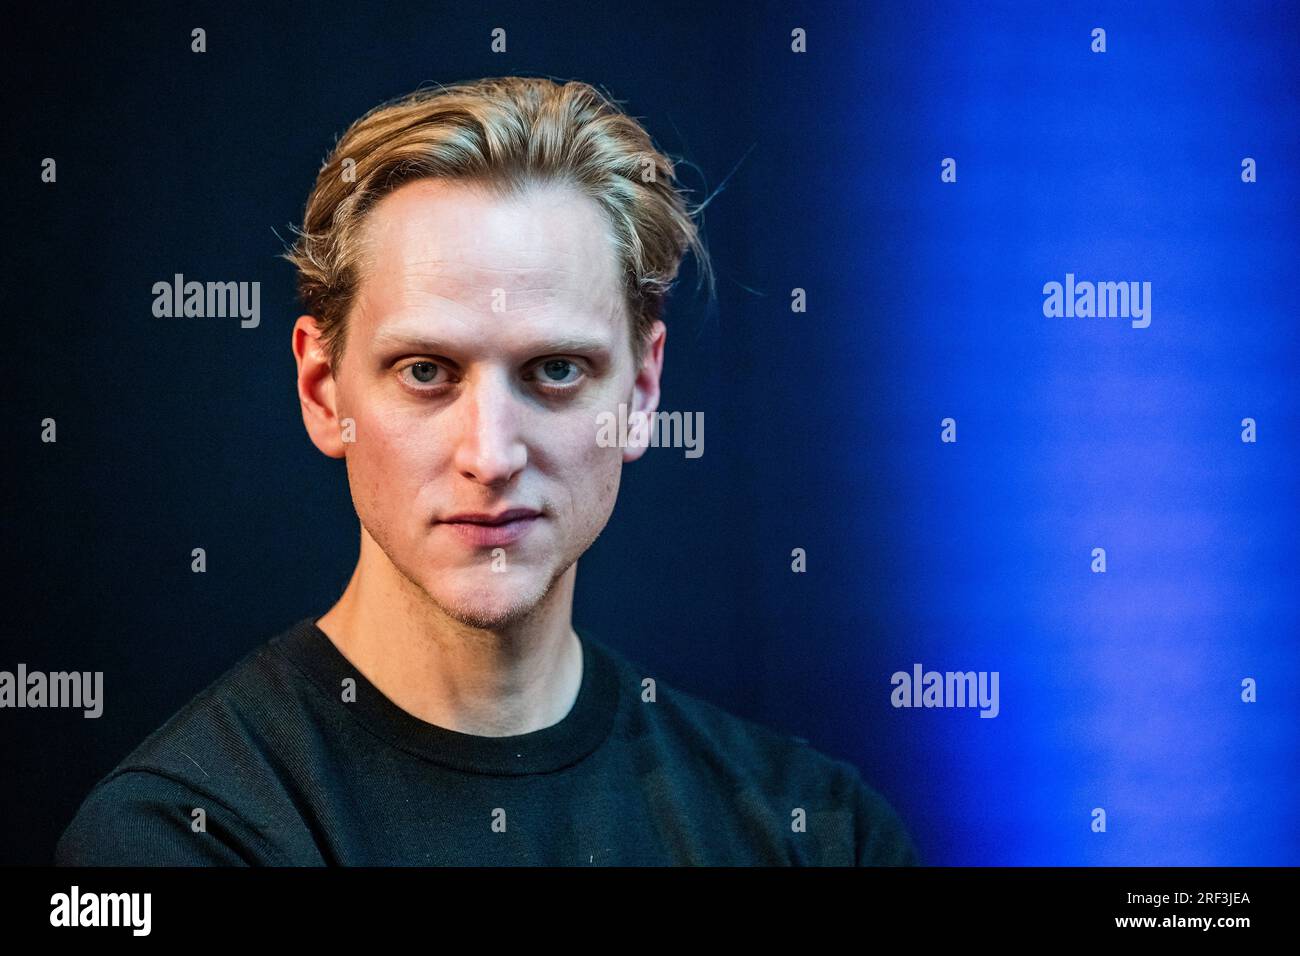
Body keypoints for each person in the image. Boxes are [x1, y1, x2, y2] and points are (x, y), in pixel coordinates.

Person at [55, 76, 920, 866]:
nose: (492, 455)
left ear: (643, 388)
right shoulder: (178, 840)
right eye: (427, 371)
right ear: (324, 392)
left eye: (555, 371)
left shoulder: (821, 831)